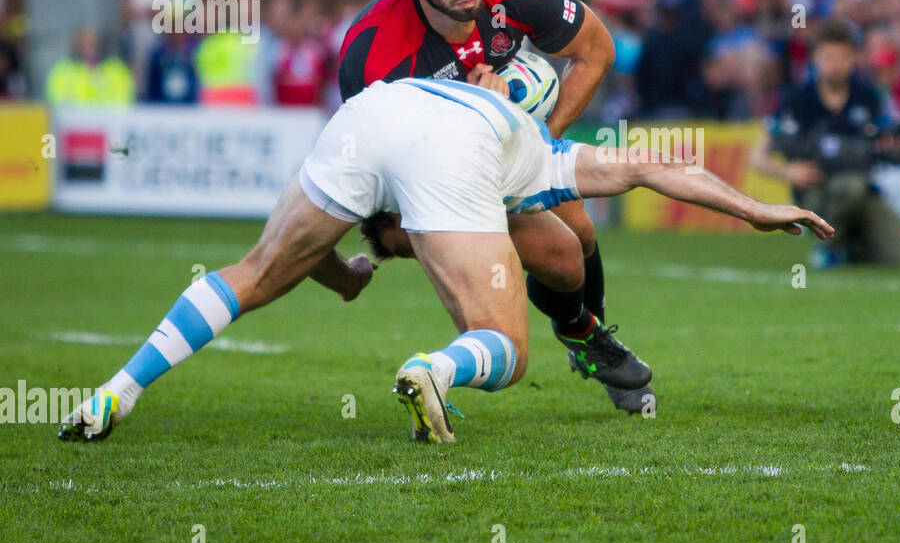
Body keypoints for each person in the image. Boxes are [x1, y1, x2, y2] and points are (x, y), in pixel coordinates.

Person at [58, 76, 832, 444]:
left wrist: (352, 278)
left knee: (253, 271)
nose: (411, 255)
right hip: (444, 139)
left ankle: (116, 393)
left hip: (360, 119)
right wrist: (755, 208)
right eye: (402, 246)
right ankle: (436, 367)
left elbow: (304, 261)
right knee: (509, 346)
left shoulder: (510, 152)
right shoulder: (533, 149)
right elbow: (648, 165)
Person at [337, 0, 651, 414]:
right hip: (429, 183)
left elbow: (596, 50)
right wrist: (478, 111)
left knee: (582, 238)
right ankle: (491, 346)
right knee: (560, 257)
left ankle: (583, 336)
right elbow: (381, 162)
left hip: (509, 145)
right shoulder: (374, 54)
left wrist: (539, 146)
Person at [753, 20, 900, 267]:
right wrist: (787, 171)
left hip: (863, 190)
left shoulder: (868, 96)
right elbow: (756, 157)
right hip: (816, 192)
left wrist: (892, 147)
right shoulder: (797, 100)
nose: (836, 65)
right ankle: (829, 244)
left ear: (853, 58)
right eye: (829, 58)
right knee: (850, 186)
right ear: (815, 60)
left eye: (843, 58)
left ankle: (847, 246)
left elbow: (887, 137)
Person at [46, 26, 135, 105]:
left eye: (92, 45)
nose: (88, 50)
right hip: (74, 122)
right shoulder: (62, 71)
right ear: (75, 46)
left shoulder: (117, 70)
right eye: (82, 45)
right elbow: (58, 104)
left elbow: (124, 103)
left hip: (109, 122)